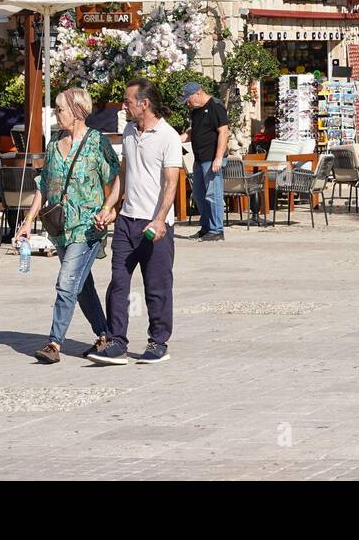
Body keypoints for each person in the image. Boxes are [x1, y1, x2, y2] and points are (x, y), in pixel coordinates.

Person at [15, 88, 121, 364]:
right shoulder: (53, 144)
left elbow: (117, 179)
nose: (55, 114)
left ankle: (54, 343)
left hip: (87, 227)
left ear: (76, 112)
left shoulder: (97, 143)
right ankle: (104, 335)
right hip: (60, 227)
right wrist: (27, 222)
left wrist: (109, 209)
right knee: (81, 285)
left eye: (59, 109)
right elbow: (43, 185)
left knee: (66, 283)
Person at [92, 78, 182, 365]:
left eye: (128, 101)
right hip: (127, 222)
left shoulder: (168, 136)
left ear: (144, 104)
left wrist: (159, 220)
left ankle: (158, 342)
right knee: (118, 282)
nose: (124, 105)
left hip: (155, 226)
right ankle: (117, 340)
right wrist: (110, 207)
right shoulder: (129, 130)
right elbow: (124, 173)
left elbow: (171, 183)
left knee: (156, 287)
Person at [180, 81, 228, 242]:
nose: (188, 102)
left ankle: (216, 230)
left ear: (198, 93)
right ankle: (206, 227)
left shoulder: (215, 106)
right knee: (199, 195)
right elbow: (193, 132)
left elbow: (223, 132)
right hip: (199, 159)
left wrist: (218, 158)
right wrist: (175, 139)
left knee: (213, 194)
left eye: (189, 98)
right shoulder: (196, 110)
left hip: (212, 159)